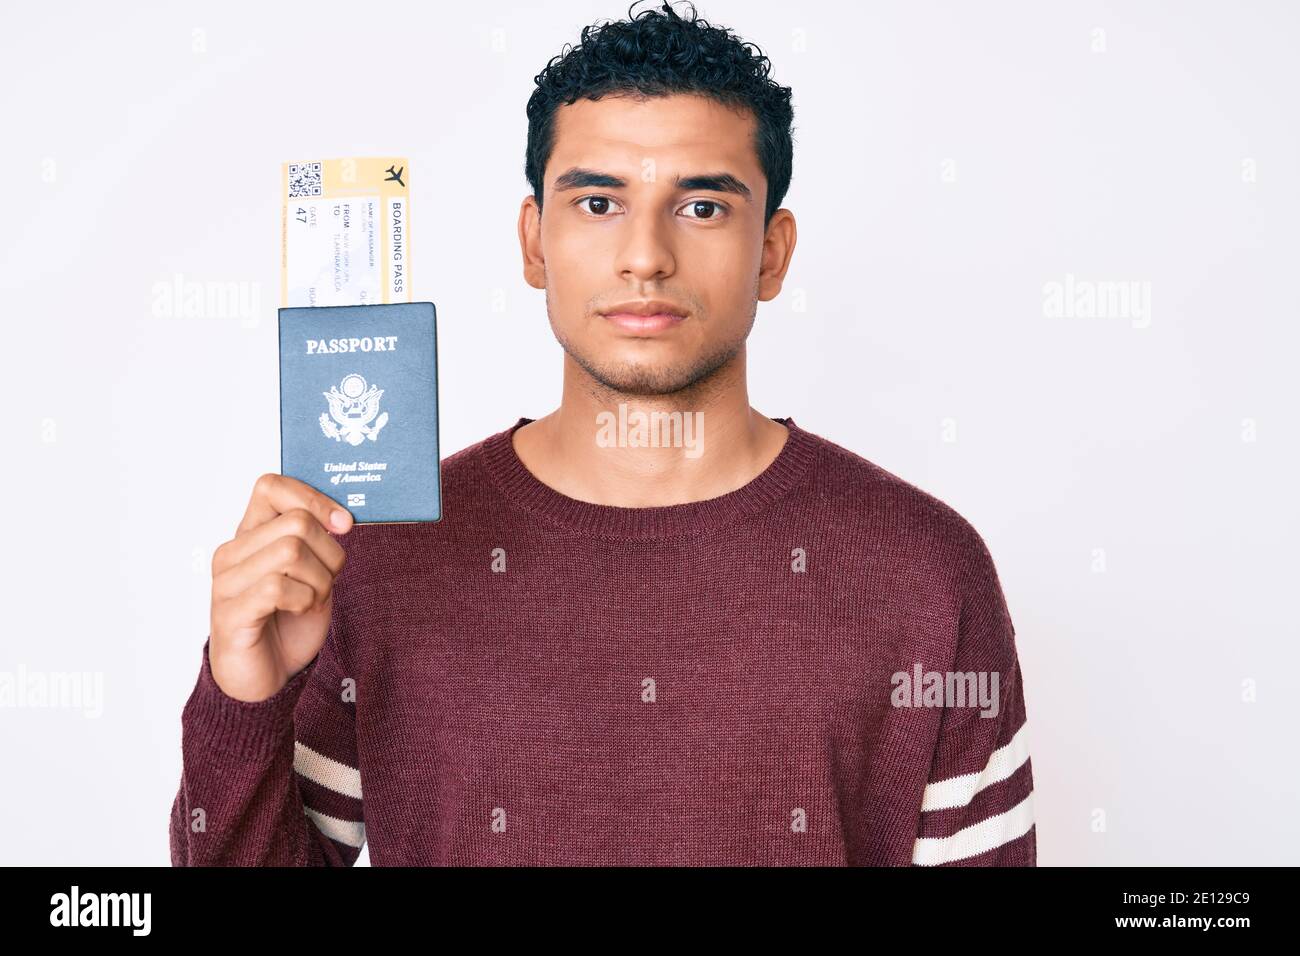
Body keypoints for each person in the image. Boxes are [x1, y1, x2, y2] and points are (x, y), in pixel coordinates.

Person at [170, 0, 1035, 866]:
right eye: (597, 202)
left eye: (701, 207)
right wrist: (245, 698)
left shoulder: (926, 572)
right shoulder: (379, 552)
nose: (646, 256)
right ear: (534, 240)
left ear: (772, 254)